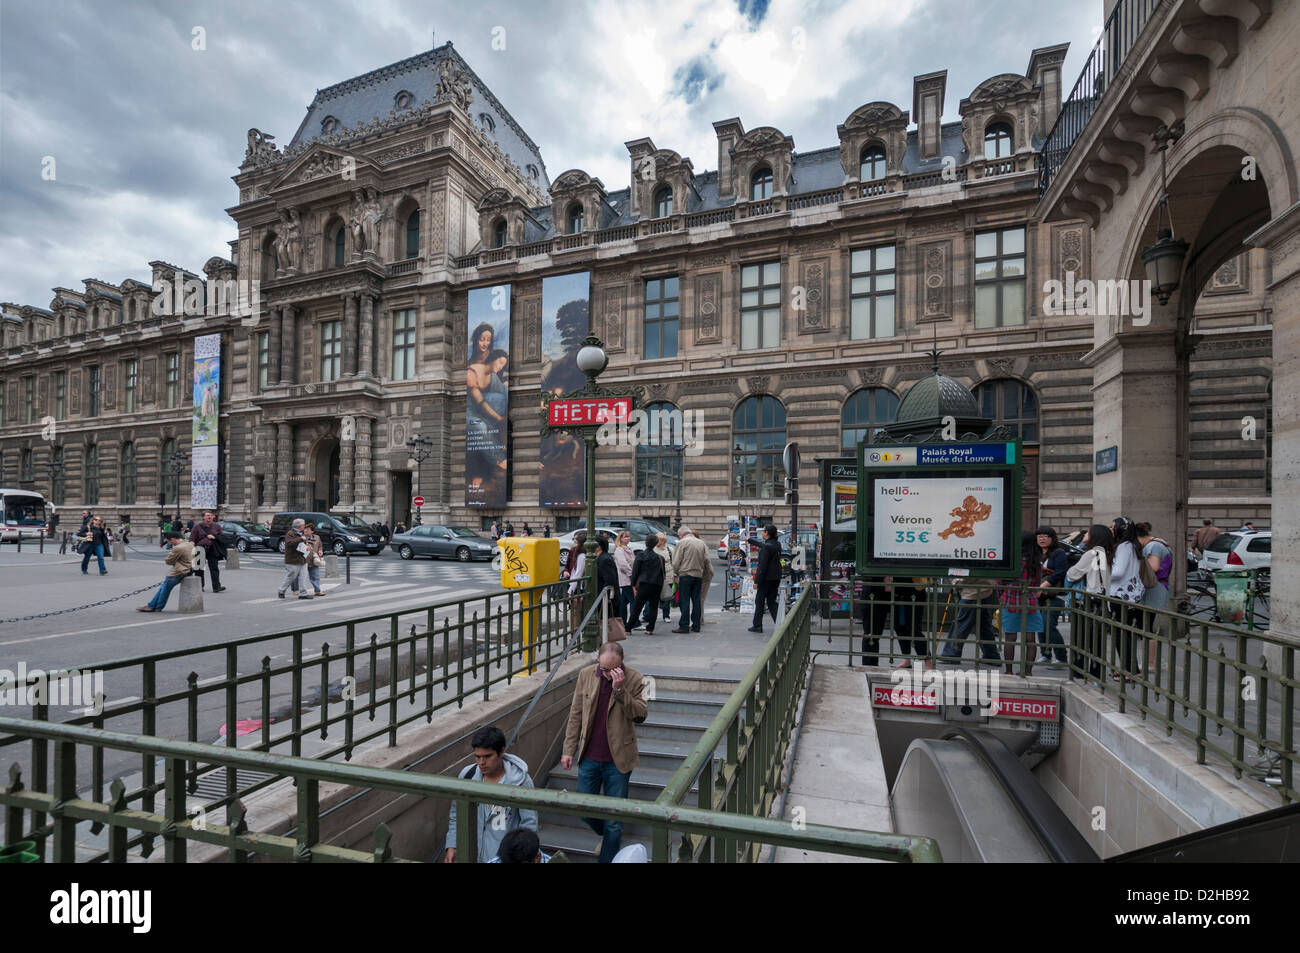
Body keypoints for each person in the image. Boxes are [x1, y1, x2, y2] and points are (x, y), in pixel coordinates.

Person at [560, 641, 648, 863]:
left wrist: (620, 690)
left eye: (612, 670)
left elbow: (640, 715)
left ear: (622, 662)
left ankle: (610, 842)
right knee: (583, 809)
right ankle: (608, 835)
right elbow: (576, 714)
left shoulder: (636, 678)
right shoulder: (587, 675)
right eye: (604, 669)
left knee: (614, 821)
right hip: (589, 755)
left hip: (618, 759)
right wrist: (568, 749)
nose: (607, 674)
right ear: (598, 660)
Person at [443, 725, 538, 864]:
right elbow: (456, 814)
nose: (481, 762)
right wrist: (452, 844)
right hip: (471, 855)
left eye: (487, 756)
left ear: (501, 752)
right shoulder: (467, 775)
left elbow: (529, 824)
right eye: (477, 757)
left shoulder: (521, 781)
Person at [1067, 524, 1115, 679]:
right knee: (1097, 643)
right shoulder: (1109, 553)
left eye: (1088, 532)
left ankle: (1079, 673)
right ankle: (1096, 675)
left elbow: (1072, 574)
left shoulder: (1091, 554)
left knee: (1081, 640)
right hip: (1104, 602)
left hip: (1089, 602)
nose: (1085, 534)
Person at [1000, 532, 1044, 676]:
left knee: (1010, 638)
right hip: (1030, 602)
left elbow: (1001, 581)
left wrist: (1002, 593)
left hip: (1010, 600)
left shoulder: (1013, 561)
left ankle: (1008, 671)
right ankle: (1028, 671)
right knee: (1031, 639)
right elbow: (1037, 584)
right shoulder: (1036, 561)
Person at [1107, 517, 1145, 681]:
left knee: (1121, 634)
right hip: (1129, 595)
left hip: (1120, 594)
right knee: (1126, 633)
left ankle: (1129, 671)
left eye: (1112, 527)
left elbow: (1118, 572)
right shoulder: (1132, 545)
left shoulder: (1123, 547)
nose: (1110, 529)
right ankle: (1130, 668)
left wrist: (1103, 572)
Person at [1136, 521, 1173, 671]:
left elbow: (1154, 566)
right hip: (1157, 587)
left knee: (1146, 626)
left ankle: (1151, 663)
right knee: (1146, 625)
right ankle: (1154, 660)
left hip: (1155, 588)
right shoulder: (1159, 543)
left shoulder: (1153, 546)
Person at [939, 579, 1001, 663]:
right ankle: (991, 656)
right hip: (986, 591)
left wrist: (956, 582)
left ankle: (951, 654)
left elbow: (964, 576)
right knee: (983, 626)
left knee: (960, 624)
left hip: (972, 593)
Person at [1035, 527, 1070, 666]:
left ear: (1052, 538)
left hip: (1054, 596)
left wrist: (1042, 587)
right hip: (1038, 596)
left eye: (1045, 536)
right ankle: (1046, 654)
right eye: (1039, 536)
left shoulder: (1058, 553)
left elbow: (1060, 573)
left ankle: (1061, 657)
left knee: (1048, 624)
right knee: (1040, 625)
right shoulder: (1036, 553)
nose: (1042, 539)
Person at [137, 530, 194, 612]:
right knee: (164, 588)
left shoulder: (178, 548)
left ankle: (156, 607)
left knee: (165, 589)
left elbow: (168, 561)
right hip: (187, 570)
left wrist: (174, 559)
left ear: (173, 539)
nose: (169, 543)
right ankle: (152, 606)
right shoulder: (189, 544)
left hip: (177, 572)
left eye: (169, 541)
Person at [671, 526, 709, 633]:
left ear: (681, 535)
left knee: (685, 600)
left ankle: (684, 625)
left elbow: (676, 562)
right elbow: (706, 559)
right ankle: (696, 625)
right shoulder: (701, 543)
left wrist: (675, 574)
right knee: (696, 600)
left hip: (685, 574)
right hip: (698, 575)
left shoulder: (682, 542)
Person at [747, 524, 783, 633]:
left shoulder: (767, 547)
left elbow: (762, 566)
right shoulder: (776, 544)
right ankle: (781, 624)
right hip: (775, 577)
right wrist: (750, 540)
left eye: (763, 531)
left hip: (766, 578)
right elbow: (764, 545)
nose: (762, 532)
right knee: (771, 601)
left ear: (767, 533)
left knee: (759, 601)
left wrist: (757, 581)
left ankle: (757, 625)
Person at [628, 534, 666, 634]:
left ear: (646, 543)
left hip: (644, 584)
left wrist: (633, 585)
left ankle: (628, 628)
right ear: (655, 544)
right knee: (653, 607)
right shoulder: (660, 558)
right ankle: (650, 628)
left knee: (637, 607)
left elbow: (635, 572)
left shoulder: (640, 556)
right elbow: (663, 573)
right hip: (656, 584)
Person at [190, 512, 226, 593]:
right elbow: (192, 538)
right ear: (203, 517)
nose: (210, 517)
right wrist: (191, 545)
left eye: (210, 515)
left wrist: (214, 537)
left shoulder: (217, 526)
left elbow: (222, 537)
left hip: (212, 549)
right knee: (199, 569)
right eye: (208, 515)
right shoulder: (197, 526)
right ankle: (200, 586)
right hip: (200, 548)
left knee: (214, 568)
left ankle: (216, 587)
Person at [278, 518, 313, 600]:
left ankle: (303, 594)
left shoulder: (301, 533)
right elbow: (290, 543)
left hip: (302, 558)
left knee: (303, 577)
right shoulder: (290, 533)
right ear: (299, 526)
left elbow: (301, 544)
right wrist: (301, 539)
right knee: (291, 577)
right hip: (292, 560)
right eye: (303, 525)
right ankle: (281, 590)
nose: (304, 526)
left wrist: (307, 546)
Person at [594, 535, 623, 631]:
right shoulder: (601, 558)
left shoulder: (605, 559)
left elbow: (610, 580)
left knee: (605, 623)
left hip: (606, 599)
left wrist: (606, 597)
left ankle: (605, 644)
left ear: (598, 546)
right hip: (602, 597)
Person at [646, 532, 674, 625]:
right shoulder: (652, 549)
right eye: (657, 540)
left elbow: (674, 563)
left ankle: (666, 615)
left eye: (660, 540)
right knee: (651, 598)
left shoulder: (670, 549)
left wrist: (675, 575)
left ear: (664, 541)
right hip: (655, 577)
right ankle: (647, 615)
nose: (659, 542)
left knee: (666, 597)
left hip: (668, 576)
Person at [613, 531, 636, 627]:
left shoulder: (629, 549)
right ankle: (634, 623)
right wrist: (631, 573)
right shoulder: (619, 550)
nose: (628, 538)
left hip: (628, 578)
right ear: (620, 539)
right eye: (625, 537)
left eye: (628, 537)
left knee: (624, 602)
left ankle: (622, 622)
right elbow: (623, 564)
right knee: (633, 601)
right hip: (625, 578)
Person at [300, 522, 326, 597]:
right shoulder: (301, 538)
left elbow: (320, 545)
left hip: (314, 560)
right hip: (303, 561)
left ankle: (317, 590)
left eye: (307, 529)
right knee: (299, 577)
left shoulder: (317, 537)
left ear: (312, 531)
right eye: (304, 529)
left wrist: (320, 551)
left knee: (315, 576)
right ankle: (295, 589)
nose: (305, 531)